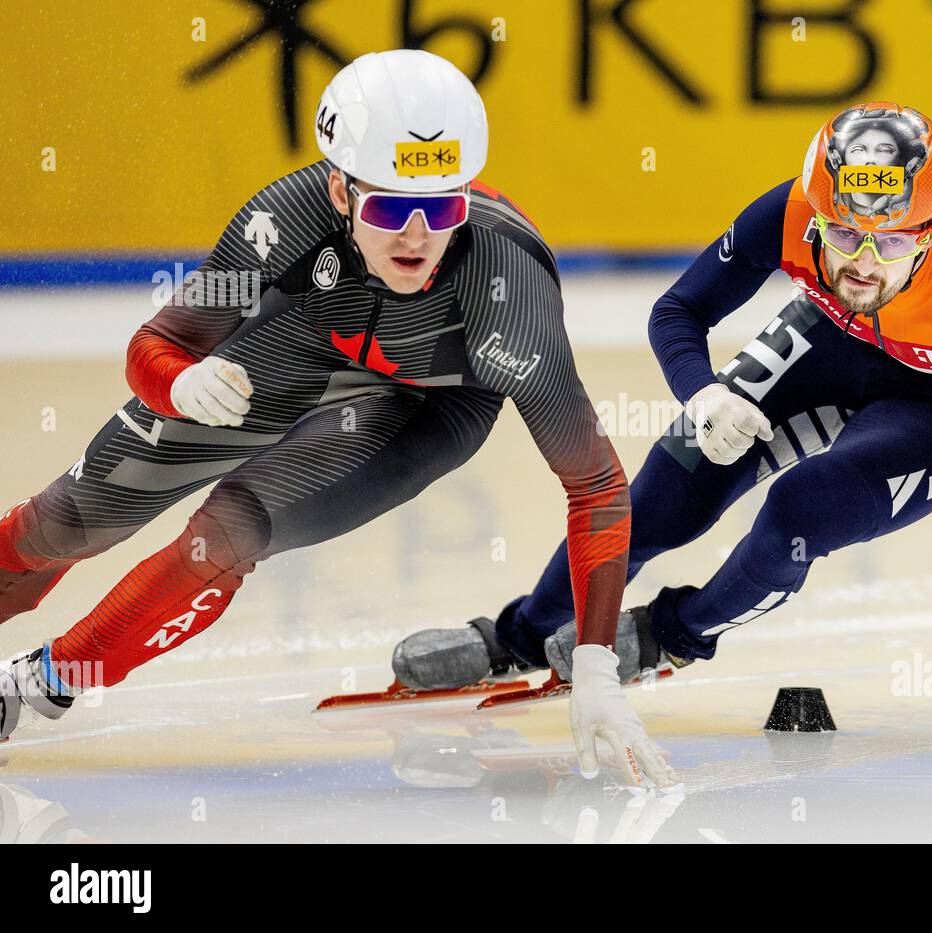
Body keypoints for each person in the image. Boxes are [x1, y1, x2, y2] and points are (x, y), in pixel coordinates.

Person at [394, 103, 932, 758]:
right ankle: (518, 635)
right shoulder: (790, 211)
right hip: (832, 340)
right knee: (665, 493)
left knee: (802, 511)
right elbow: (677, 312)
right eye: (842, 232)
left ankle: (671, 632)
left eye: (891, 240)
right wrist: (702, 397)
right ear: (815, 210)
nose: (862, 260)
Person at [0, 50, 672, 787]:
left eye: (443, 207)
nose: (416, 236)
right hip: (308, 339)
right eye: (389, 208)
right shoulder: (282, 217)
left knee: (230, 531)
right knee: (72, 517)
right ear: (340, 194)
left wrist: (598, 664)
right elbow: (157, 344)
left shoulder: (507, 300)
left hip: (432, 399)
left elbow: (596, 485)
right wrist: (181, 382)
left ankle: (45, 679)